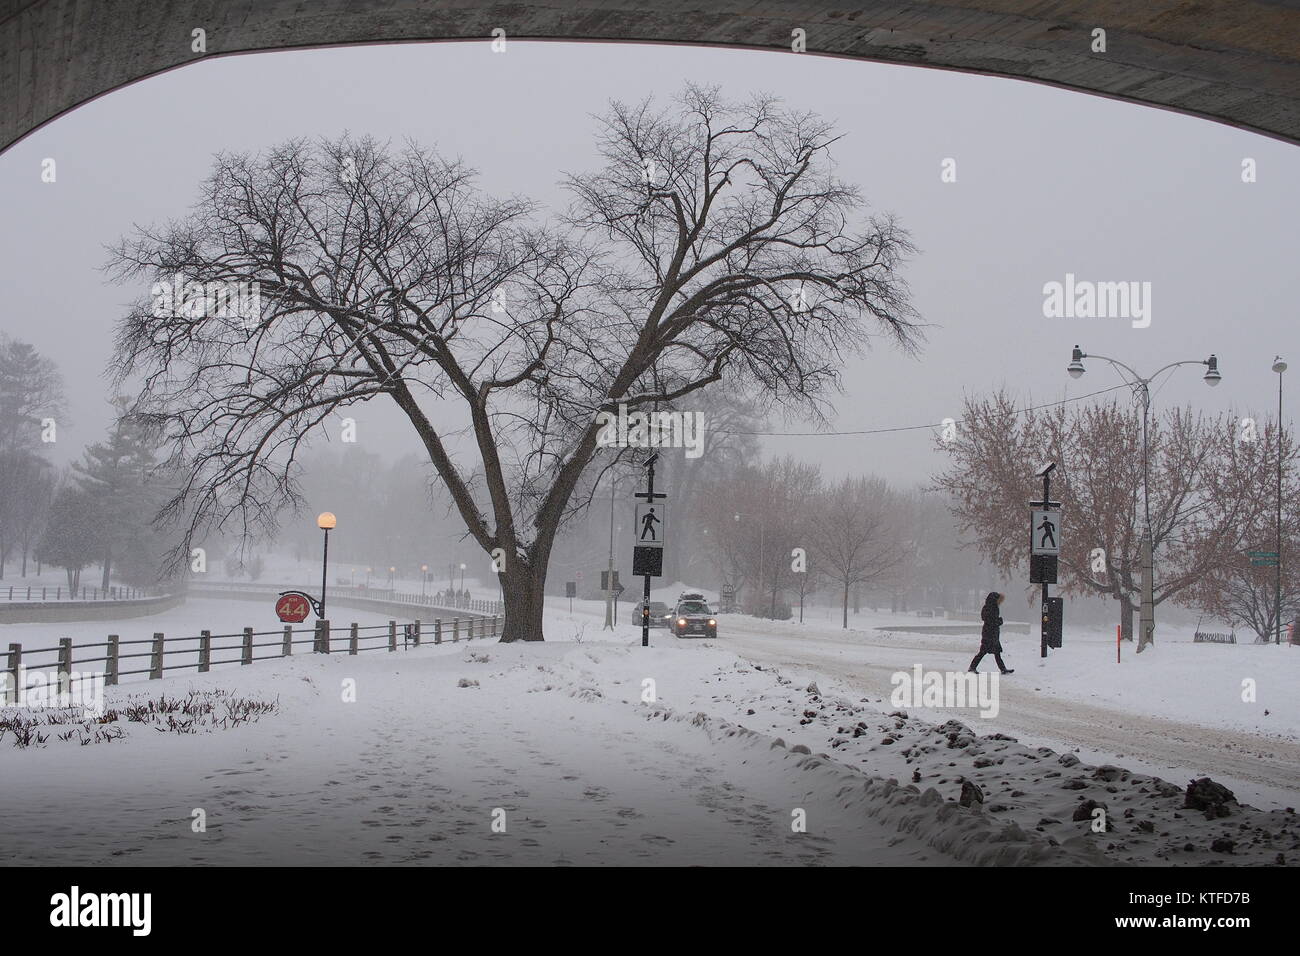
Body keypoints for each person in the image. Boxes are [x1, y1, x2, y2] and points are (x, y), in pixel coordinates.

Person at [970, 591, 1014, 674]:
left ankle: (1003, 669)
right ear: (994, 599)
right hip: (989, 633)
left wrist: (997, 621)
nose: (999, 602)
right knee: (983, 652)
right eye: (998, 599)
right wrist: (999, 621)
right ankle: (972, 667)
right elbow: (989, 620)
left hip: (991, 633)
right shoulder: (990, 608)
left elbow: (988, 619)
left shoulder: (990, 607)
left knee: (996, 652)